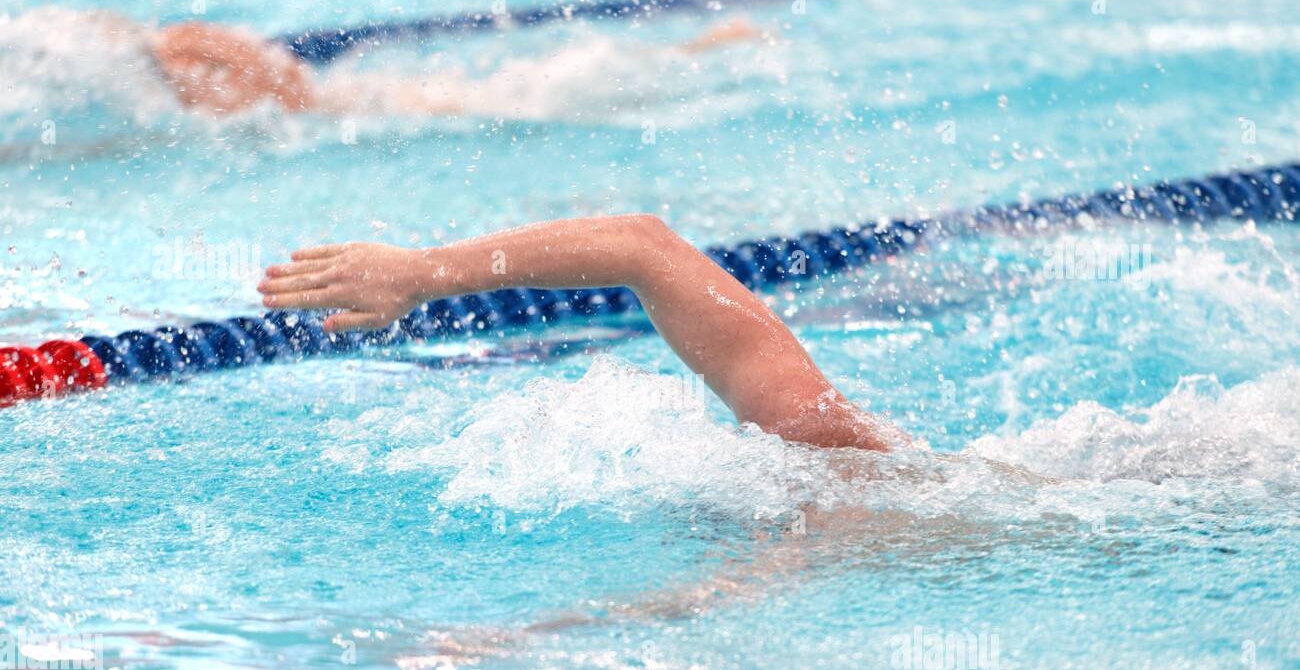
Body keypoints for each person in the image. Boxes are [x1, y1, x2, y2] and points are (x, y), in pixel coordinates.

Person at [259, 214, 908, 452]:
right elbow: (641, 245)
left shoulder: (826, 459)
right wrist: (421, 271)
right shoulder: (819, 438)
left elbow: (639, 245)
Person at [0, 7, 766, 120]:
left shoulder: (167, 57)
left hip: (285, 92)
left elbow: (168, 39)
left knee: (470, 104)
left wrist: (283, 96)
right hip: (197, 70)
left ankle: (695, 51)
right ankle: (693, 50)